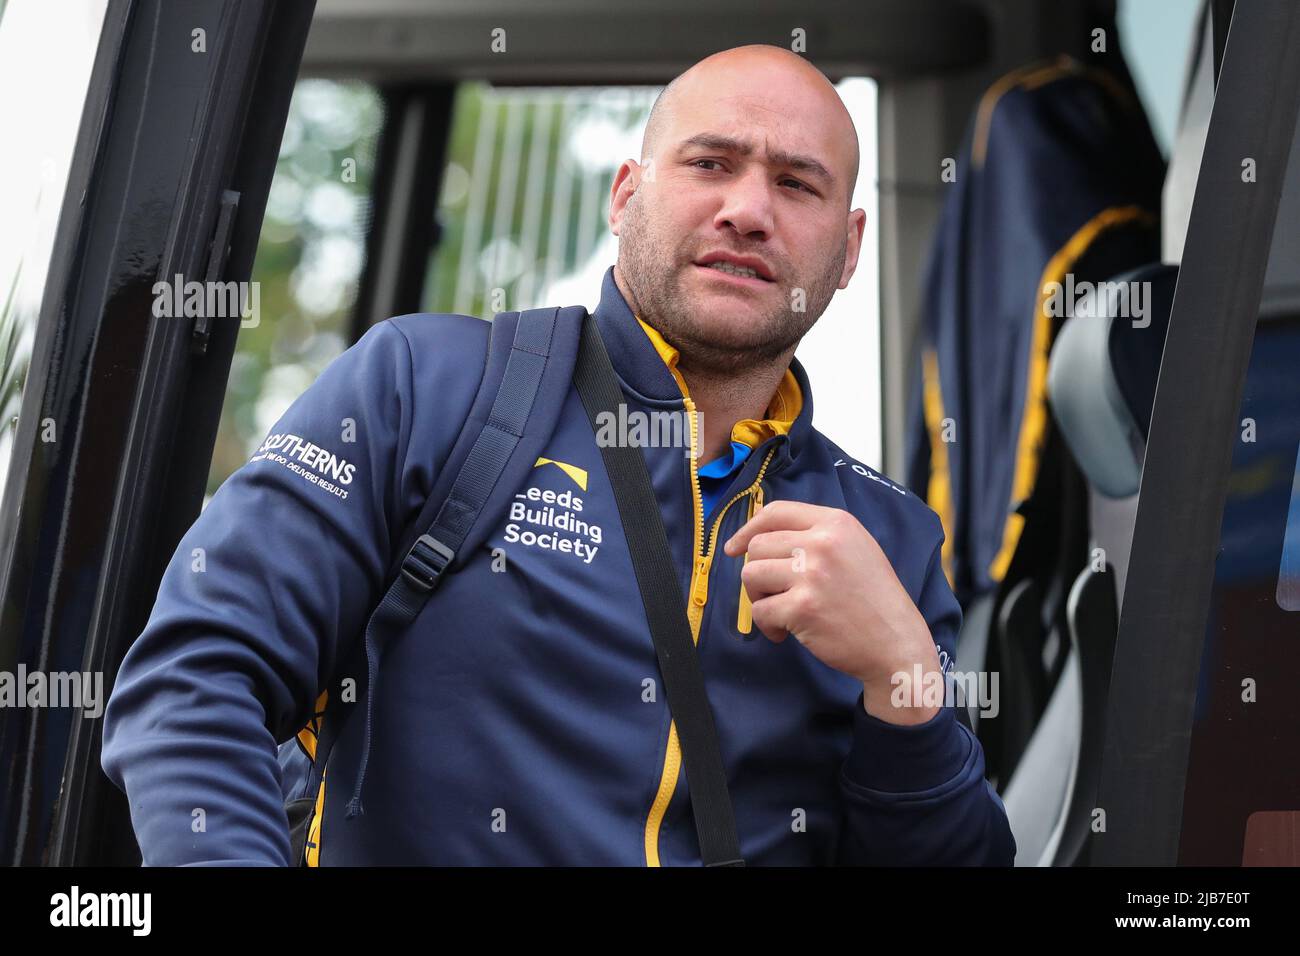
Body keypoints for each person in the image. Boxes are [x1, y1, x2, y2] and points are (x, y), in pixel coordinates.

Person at [102, 44, 1016, 866]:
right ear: (626, 195)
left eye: (798, 183)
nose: (748, 210)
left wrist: (908, 680)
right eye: (710, 163)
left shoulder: (889, 536)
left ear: (850, 248)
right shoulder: (428, 387)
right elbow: (195, 676)